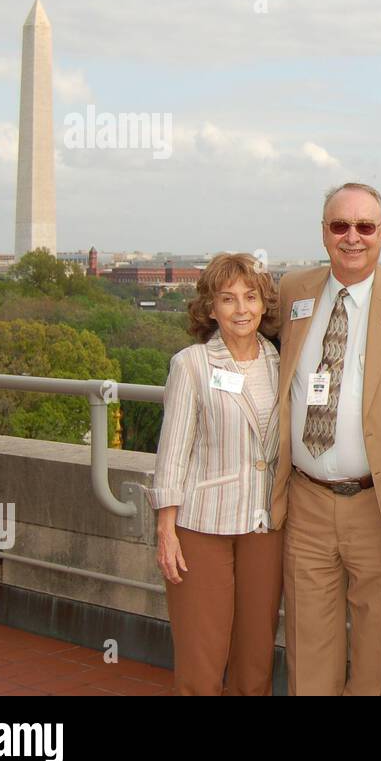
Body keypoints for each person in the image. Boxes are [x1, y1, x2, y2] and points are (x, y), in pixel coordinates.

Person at [269, 183, 381, 695]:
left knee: (378, 651)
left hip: (376, 504)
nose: (352, 237)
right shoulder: (293, 289)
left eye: (365, 227)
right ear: (324, 233)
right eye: (340, 226)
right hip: (306, 499)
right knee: (308, 647)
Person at [148, 252, 282, 696]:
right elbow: (172, 452)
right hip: (202, 526)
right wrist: (166, 529)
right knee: (202, 660)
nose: (241, 309)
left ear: (264, 304)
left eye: (250, 297)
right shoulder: (191, 365)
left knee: (256, 658)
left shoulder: (282, 363)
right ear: (210, 308)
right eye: (228, 299)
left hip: (264, 526)